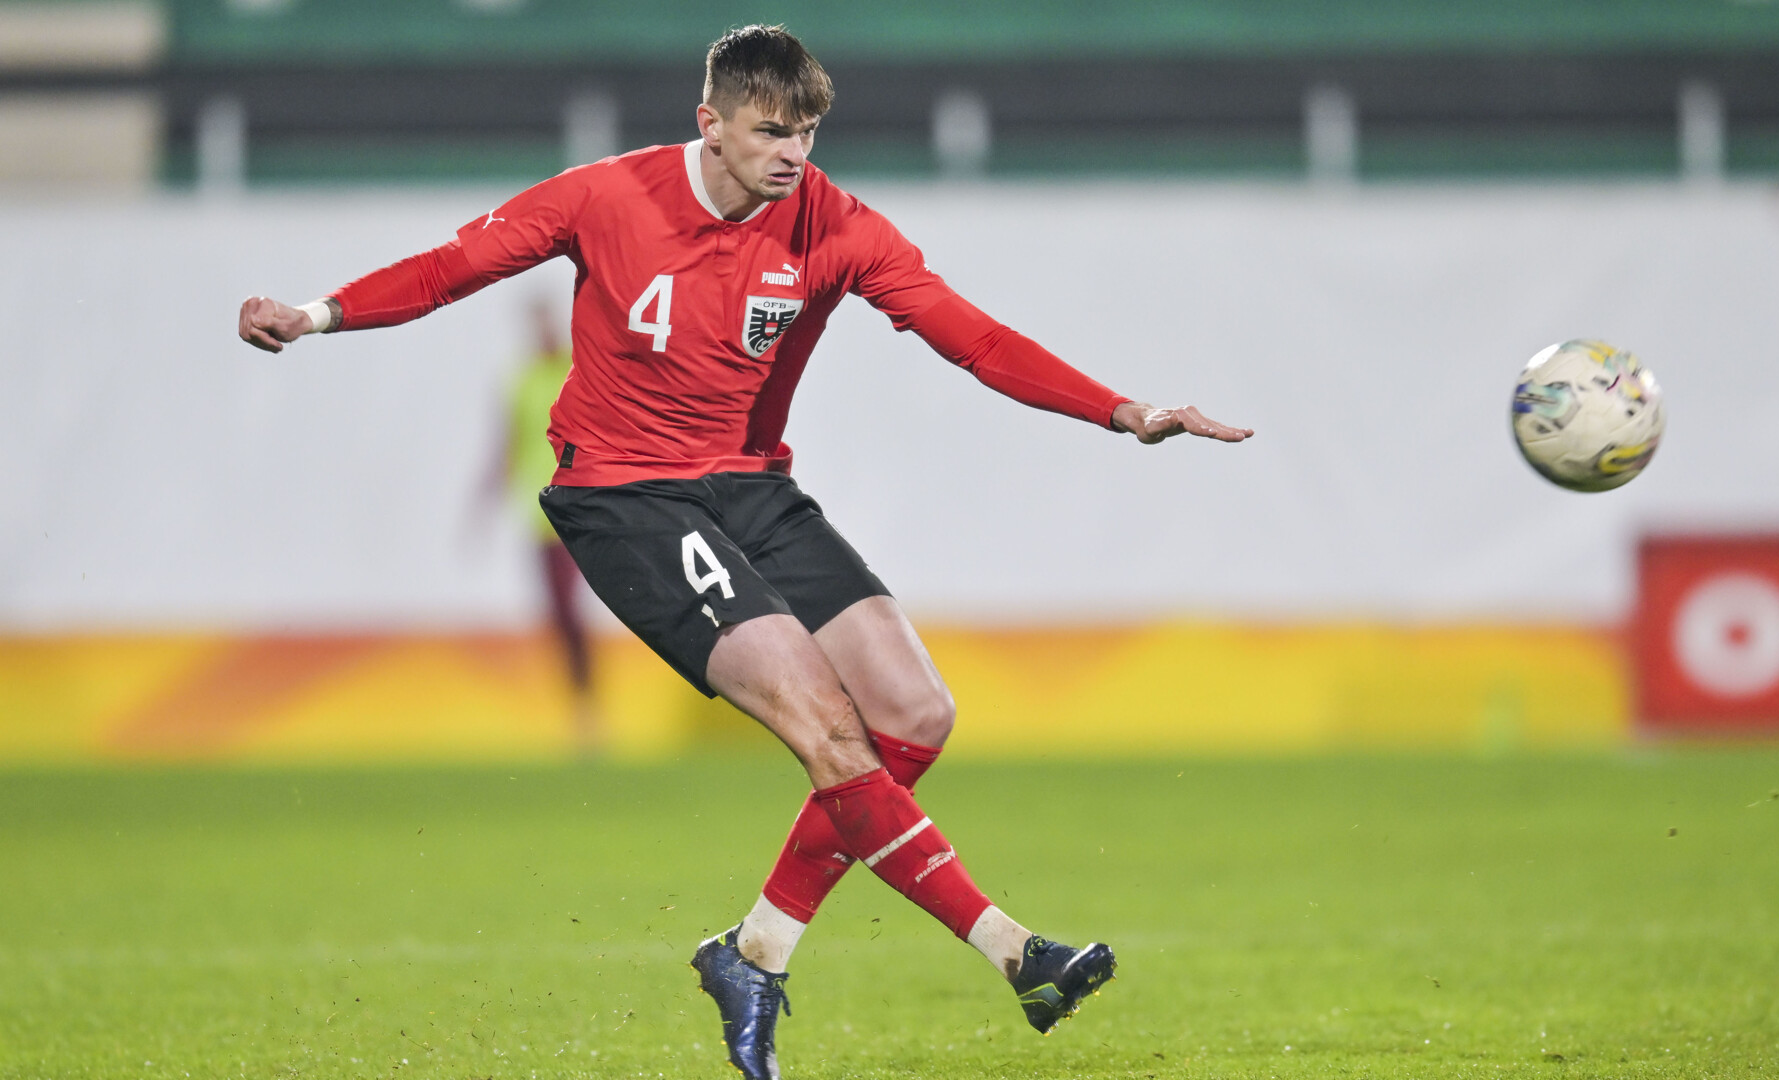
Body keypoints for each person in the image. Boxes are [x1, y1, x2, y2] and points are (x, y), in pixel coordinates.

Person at [237, 25, 1251, 1080]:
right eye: (771, 132)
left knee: (915, 713)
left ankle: (755, 951)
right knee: (827, 727)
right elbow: (454, 267)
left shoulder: (837, 226)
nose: (793, 154)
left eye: (807, 132)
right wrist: (316, 315)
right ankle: (1014, 950)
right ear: (708, 123)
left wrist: (1122, 410)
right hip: (626, 498)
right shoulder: (602, 197)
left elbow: (973, 336)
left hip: (751, 487)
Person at [492, 297, 602, 756]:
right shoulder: (520, 383)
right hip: (542, 517)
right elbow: (508, 446)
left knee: (624, 603)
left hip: (588, 510)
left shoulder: (577, 371)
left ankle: (591, 708)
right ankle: (584, 713)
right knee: (563, 619)